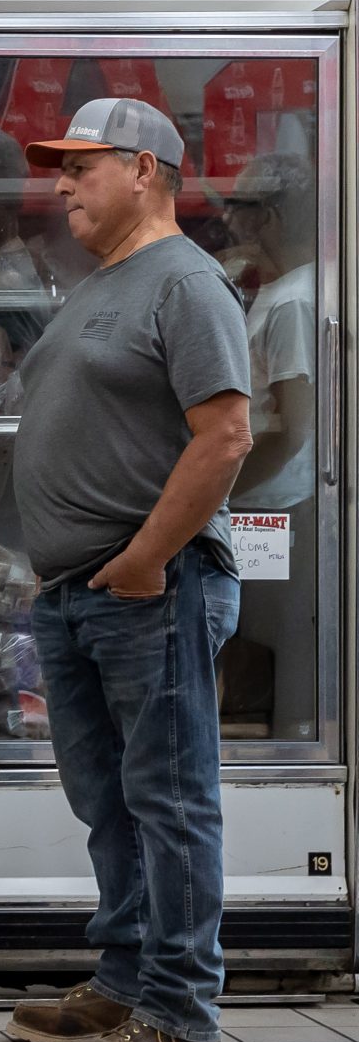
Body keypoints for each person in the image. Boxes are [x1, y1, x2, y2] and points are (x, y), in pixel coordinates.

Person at [1, 98, 251, 1042]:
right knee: (107, 800)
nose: (60, 183)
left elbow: (224, 433)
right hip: (82, 591)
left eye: (80, 165)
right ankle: (122, 978)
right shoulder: (103, 283)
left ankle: (182, 1016)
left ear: (145, 169)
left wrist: (148, 556)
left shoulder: (186, 283)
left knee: (169, 797)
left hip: (156, 587)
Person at [223, 152, 319, 742]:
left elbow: (294, 426)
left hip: (282, 503)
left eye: (237, 209)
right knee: (261, 644)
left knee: (276, 643)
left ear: (271, 217)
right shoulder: (281, 290)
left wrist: (219, 487)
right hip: (270, 498)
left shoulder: (292, 301)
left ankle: (288, 752)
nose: (228, 223)